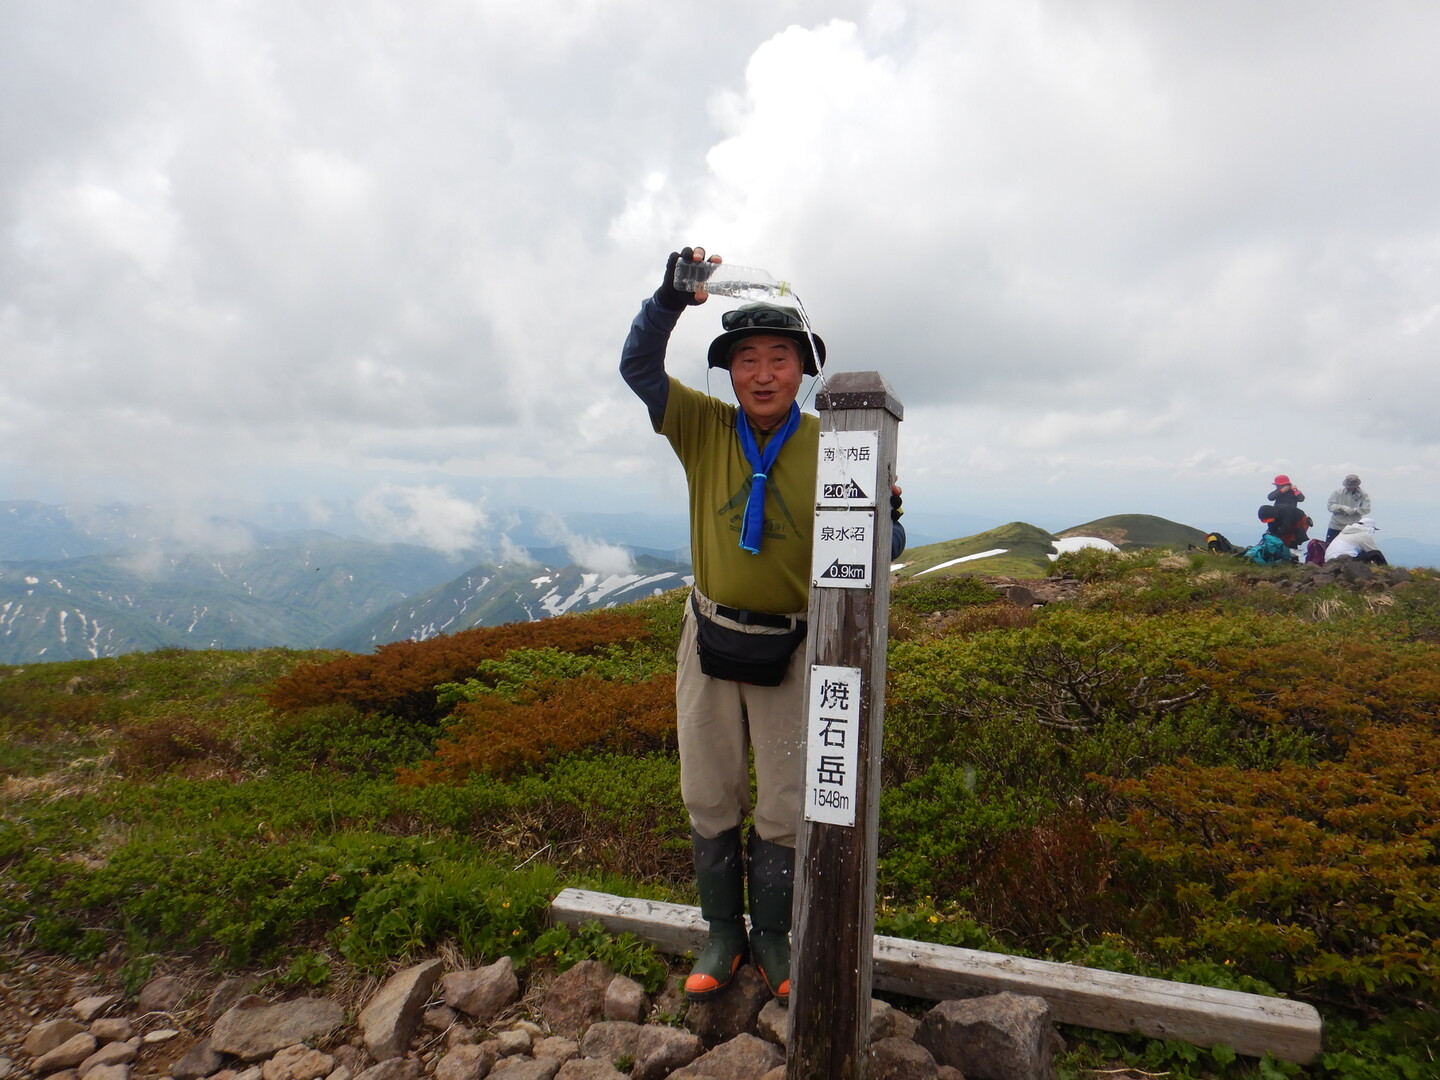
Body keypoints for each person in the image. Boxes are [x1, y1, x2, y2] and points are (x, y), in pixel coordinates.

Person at [620, 246, 905, 1005]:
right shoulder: (704, 428)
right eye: (747, 358)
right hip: (708, 633)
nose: (763, 372)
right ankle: (724, 931)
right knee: (708, 789)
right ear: (731, 371)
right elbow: (639, 370)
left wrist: (890, 519)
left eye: (780, 356)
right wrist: (668, 301)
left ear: (803, 368)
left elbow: (878, 551)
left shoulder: (834, 444)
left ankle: (772, 936)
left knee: (784, 798)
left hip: (794, 641)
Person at [1325, 474, 1371, 543]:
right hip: (1336, 525)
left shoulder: (1363, 495)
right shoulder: (1337, 493)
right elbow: (1330, 506)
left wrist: (1355, 511)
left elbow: (1366, 509)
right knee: (1329, 546)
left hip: (1353, 526)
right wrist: (1341, 507)